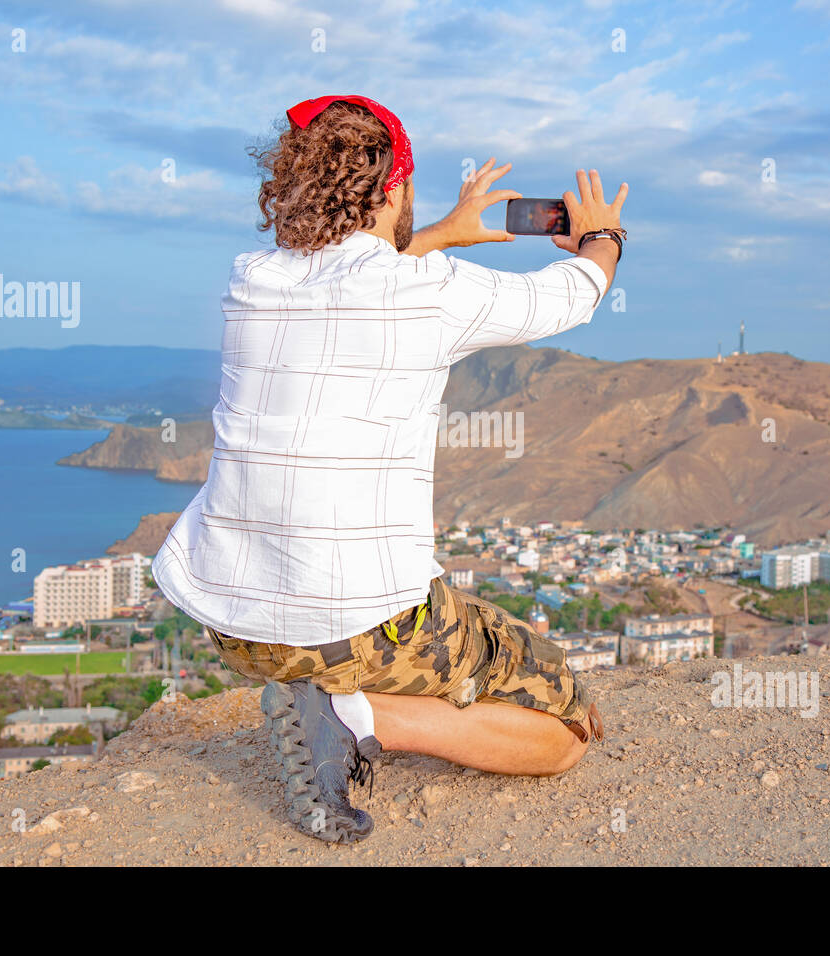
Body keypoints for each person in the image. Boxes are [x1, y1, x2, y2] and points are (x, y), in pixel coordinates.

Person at [152, 94, 628, 843]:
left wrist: (442, 233)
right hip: (362, 627)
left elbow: (348, 281)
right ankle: (356, 715)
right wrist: (603, 237)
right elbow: (573, 293)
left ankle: (323, 699)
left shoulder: (253, 281)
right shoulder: (428, 292)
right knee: (566, 729)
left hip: (234, 623)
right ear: (396, 189)